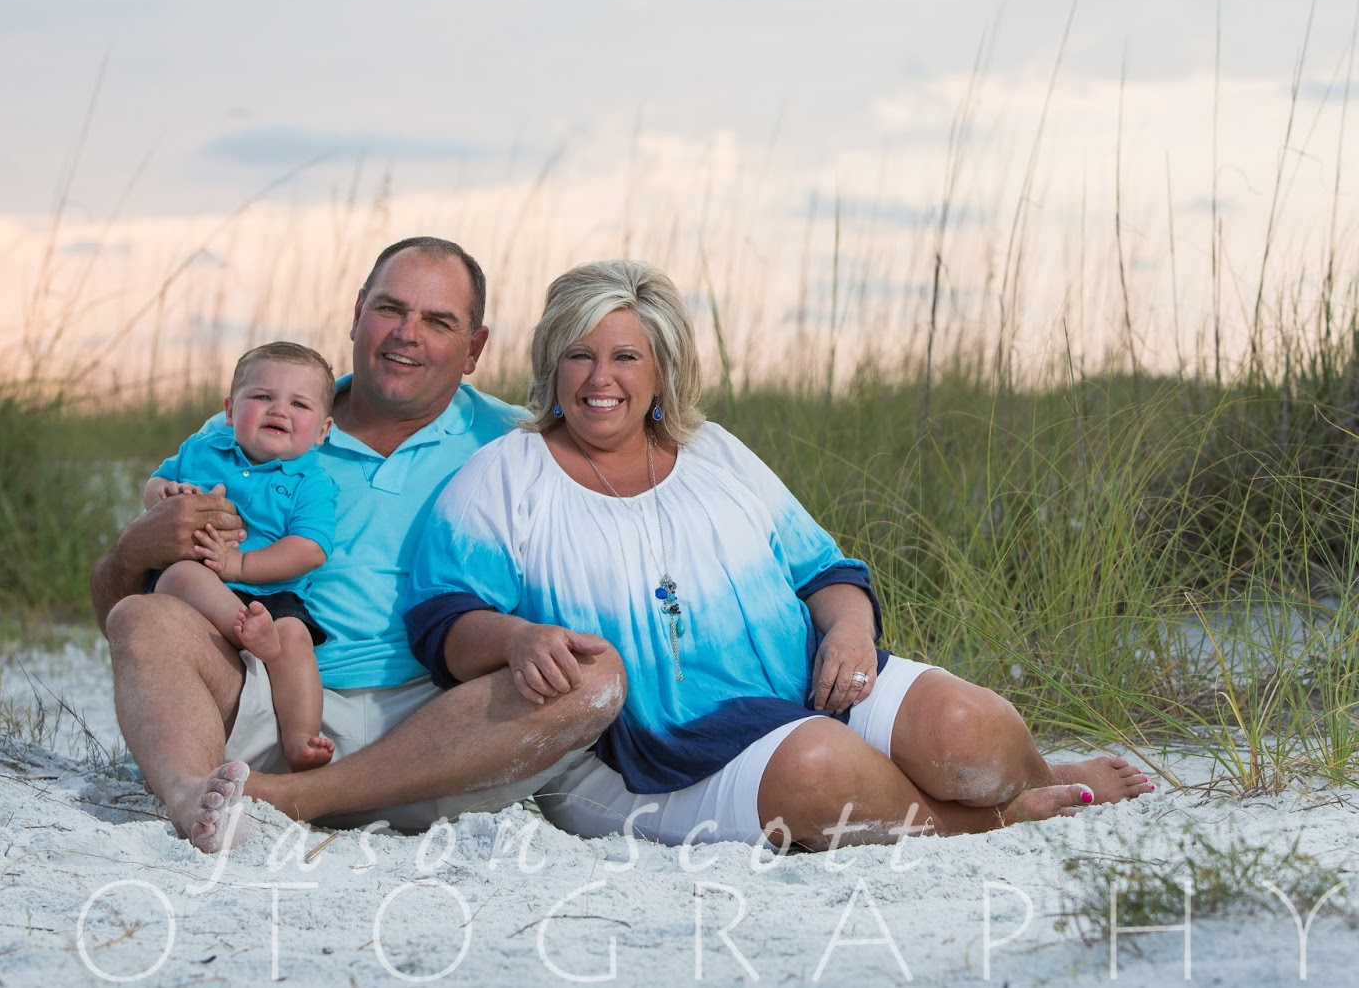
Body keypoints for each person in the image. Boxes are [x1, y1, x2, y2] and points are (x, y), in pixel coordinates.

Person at [405, 259, 1154, 849]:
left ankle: (1036, 777)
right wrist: (517, 637)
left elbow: (824, 572)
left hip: (806, 685)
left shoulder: (712, 450)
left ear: (662, 370)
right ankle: (992, 822)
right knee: (818, 768)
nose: (602, 379)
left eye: (626, 356)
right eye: (580, 355)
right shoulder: (506, 473)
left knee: (970, 727)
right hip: (655, 751)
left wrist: (853, 634)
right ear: (552, 364)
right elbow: (446, 625)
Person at [91, 237, 625, 852]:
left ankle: (293, 799)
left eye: (438, 321)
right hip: (271, 702)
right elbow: (113, 616)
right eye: (390, 310)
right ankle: (195, 797)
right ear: (356, 314)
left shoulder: (517, 442)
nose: (407, 334)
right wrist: (135, 550)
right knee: (143, 616)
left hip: (444, 732)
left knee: (594, 673)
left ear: (474, 348)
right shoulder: (257, 421)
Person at [144, 341, 338, 772]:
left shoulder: (313, 483)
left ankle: (301, 737)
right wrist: (167, 495)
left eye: (298, 403)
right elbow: (154, 484)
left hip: (272, 596)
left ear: (322, 431)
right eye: (263, 397)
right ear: (231, 411)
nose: (279, 411)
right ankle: (243, 633)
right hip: (201, 580)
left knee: (295, 638)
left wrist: (242, 565)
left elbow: (309, 549)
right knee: (177, 575)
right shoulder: (202, 449)